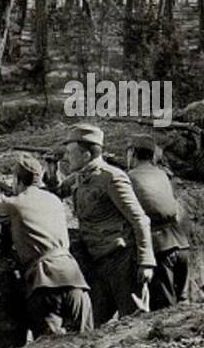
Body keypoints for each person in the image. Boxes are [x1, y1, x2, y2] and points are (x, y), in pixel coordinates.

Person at [0, 155, 93, 344]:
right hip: (75, 279)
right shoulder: (54, 200)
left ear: (17, 180)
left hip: (45, 284)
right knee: (85, 344)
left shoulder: (15, 203)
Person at [56, 123, 154, 325]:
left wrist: (145, 261)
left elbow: (139, 219)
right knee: (95, 324)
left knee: (134, 321)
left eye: (71, 153)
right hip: (97, 261)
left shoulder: (111, 177)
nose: (67, 158)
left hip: (121, 260)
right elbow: (55, 192)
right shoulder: (79, 177)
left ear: (87, 155)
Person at [125, 135, 190, 310]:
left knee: (164, 311)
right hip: (181, 243)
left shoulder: (129, 177)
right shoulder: (162, 175)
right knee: (183, 305)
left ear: (132, 153)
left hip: (160, 248)